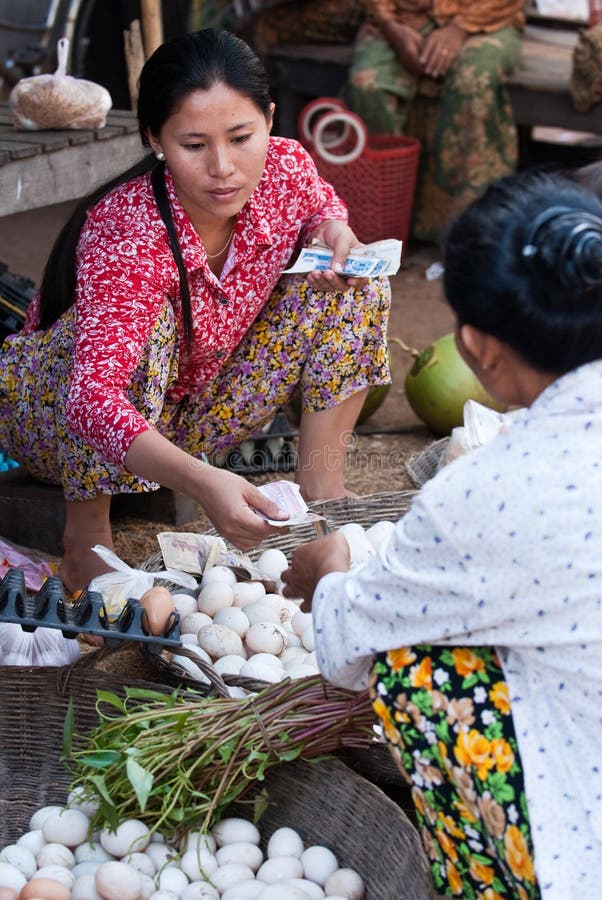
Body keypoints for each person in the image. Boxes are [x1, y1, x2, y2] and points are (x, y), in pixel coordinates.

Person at [282, 170, 602, 898]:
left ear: (477, 346)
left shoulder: (489, 490)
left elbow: (346, 646)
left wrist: (331, 567)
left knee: (416, 670)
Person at [0, 28, 391, 592]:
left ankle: (320, 497)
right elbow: (91, 401)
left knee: (355, 281)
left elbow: (320, 205)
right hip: (53, 421)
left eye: (240, 137)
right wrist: (207, 483)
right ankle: (86, 537)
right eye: (194, 145)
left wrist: (335, 230)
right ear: (155, 139)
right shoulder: (128, 231)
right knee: (135, 326)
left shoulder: (283, 170)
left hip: (189, 410)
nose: (224, 167)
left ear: (270, 119)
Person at [340, 0, 526, 242]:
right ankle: (380, 224)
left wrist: (459, 29)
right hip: (400, 18)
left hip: (486, 19)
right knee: (368, 86)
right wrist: (390, 25)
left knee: (472, 82)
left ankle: (474, 230)